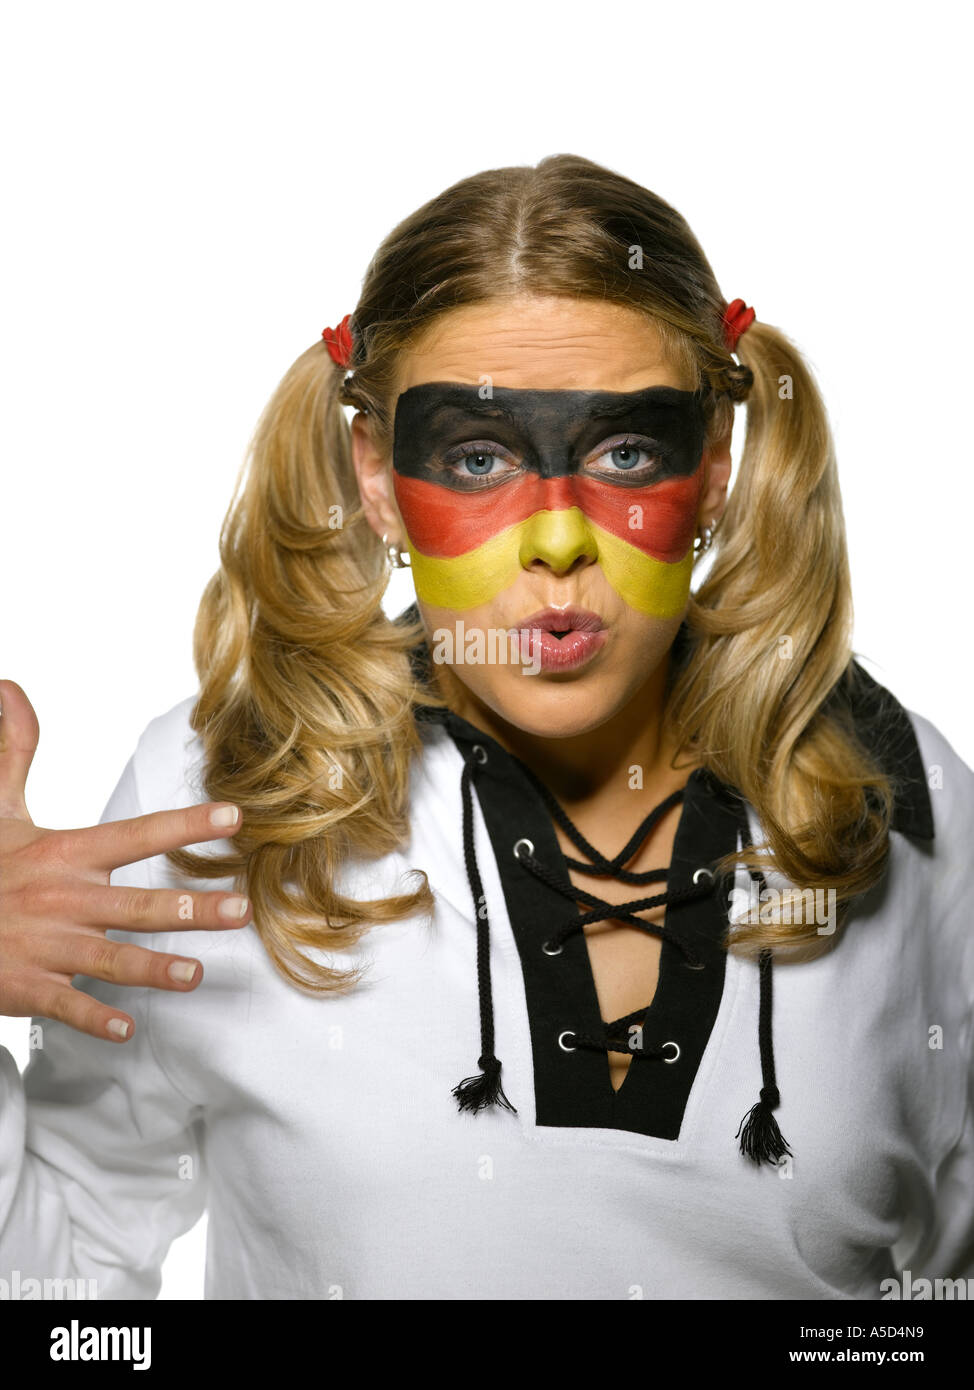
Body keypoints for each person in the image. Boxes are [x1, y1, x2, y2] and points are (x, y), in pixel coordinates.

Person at [1, 154, 971, 1301]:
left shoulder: (894, 795)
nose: (557, 541)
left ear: (711, 471)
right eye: (476, 456)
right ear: (375, 477)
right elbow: (62, 1296)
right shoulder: (229, 792)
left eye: (624, 452)